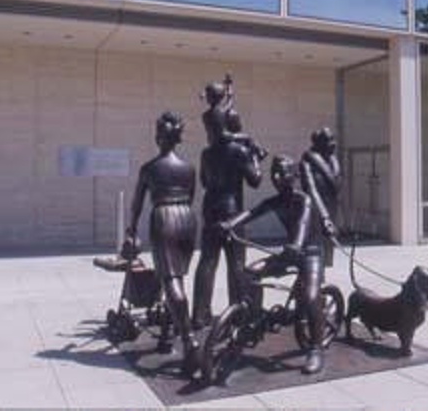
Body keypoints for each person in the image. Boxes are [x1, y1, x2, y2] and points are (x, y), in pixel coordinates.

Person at [219, 155, 326, 375]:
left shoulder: (303, 200)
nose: (277, 177)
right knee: (251, 273)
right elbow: (252, 213)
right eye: (274, 172)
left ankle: (315, 349)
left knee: (312, 296)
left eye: (283, 172)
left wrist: (296, 244)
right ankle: (256, 317)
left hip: (310, 254)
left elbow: (303, 223)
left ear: (294, 176)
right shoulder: (276, 201)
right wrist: (230, 224)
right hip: (291, 252)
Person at [124, 111, 199, 372]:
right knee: (175, 278)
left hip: (164, 218)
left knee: (171, 280)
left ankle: (190, 342)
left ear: (159, 137)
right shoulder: (189, 168)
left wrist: (131, 230)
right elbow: (191, 196)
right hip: (188, 219)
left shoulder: (149, 168)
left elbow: (137, 203)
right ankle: (168, 332)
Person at [192, 101, 262, 329]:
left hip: (210, 208)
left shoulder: (206, 153)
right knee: (237, 264)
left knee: (207, 262)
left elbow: (204, 181)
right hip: (232, 212)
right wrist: (254, 157)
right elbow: (255, 180)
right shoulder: (239, 150)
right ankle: (237, 312)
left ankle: (199, 314)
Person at [300, 127, 341, 267]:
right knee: (315, 247)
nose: (333, 143)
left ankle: (326, 266)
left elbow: (337, 183)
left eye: (333, 139)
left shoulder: (333, 160)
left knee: (328, 247)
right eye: (329, 140)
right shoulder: (307, 161)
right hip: (316, 208)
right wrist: (324, 216)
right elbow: (311, 190)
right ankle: (315, 272)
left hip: (331, 206)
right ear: (319, 143)